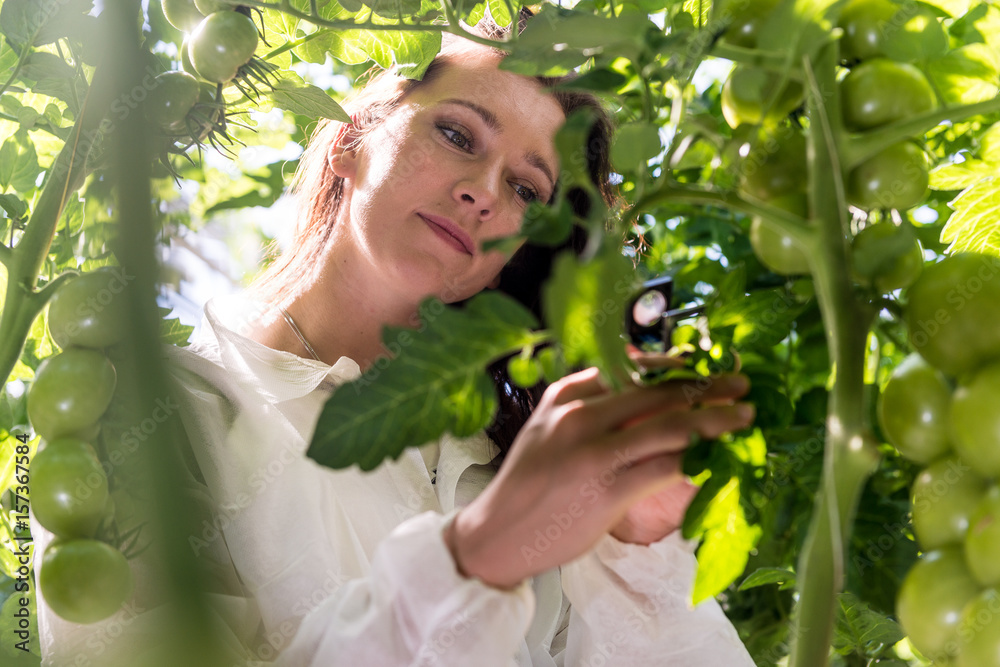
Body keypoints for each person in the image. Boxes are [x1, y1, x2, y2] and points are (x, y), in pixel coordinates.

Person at [36, 13, 757, 667]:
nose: (484, 191)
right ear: (350, 139)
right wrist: (476, 556)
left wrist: (643, 548)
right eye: (457, 134)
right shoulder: (157, 412)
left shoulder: (506, 469)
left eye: (527, 189)